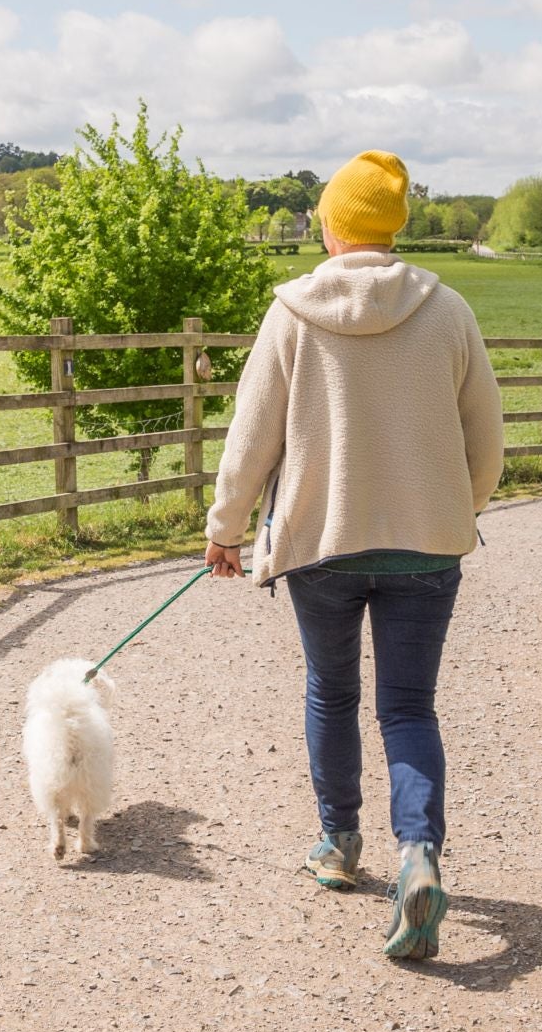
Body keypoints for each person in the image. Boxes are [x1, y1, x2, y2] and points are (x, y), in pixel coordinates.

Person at [203, 150, 502, 960]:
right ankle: (419, 855)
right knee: (408, 707)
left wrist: (226, 528)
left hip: (322, 549)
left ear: (332, 226)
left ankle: (339, 845)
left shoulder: (291, 313)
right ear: (393, 230)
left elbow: (251, 436)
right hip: (427, 548)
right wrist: (456, 509)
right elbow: (489, 443)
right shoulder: (449, 312)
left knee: (331, 694)